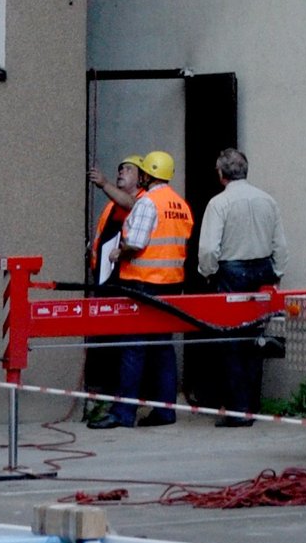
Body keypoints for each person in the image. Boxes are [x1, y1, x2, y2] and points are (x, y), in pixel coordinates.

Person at [195, 149, 285, 427]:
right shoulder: (267, 200)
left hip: (231, 273)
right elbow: (280, 245)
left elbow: (208, 249)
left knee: (231, 342)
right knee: (255, 340)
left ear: (221, 174)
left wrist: (208, 273)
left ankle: (237, 408)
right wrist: (276, 274)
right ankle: (252, 407)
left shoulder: (218, 204)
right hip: (262, 270)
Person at [113, 149, 193, 428]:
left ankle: (123, 413)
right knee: (162, 348)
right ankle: (165, 411)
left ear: (147, 175)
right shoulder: (180, 204)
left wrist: (118, 253)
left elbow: (136, 243)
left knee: (133, 347)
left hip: (143, 283)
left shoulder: (148, 202)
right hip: (171, 284)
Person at [81, 157, 142, 429]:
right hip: (104, 281)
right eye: (120, 168)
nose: (121, 172)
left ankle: (120, 403)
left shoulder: (142, 201)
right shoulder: (110, 205)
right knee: (104, 341)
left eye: (128, 169)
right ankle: (103, 398)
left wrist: (104, 183)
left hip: (126, 283)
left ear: (141, 178)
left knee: (124, 344)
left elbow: (131, 204)